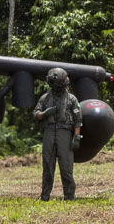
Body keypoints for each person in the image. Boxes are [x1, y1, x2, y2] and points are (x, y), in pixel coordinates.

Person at [33, 67, 83, 201]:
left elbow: (78, 120)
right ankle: (45, 196)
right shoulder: (45, 98)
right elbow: (35, 114)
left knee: (66, 167)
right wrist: (43, 114)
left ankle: (69, 196)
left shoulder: (72, 99)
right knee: (47, 167)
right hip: (49, 131)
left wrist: (76, 137)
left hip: (65, 132)